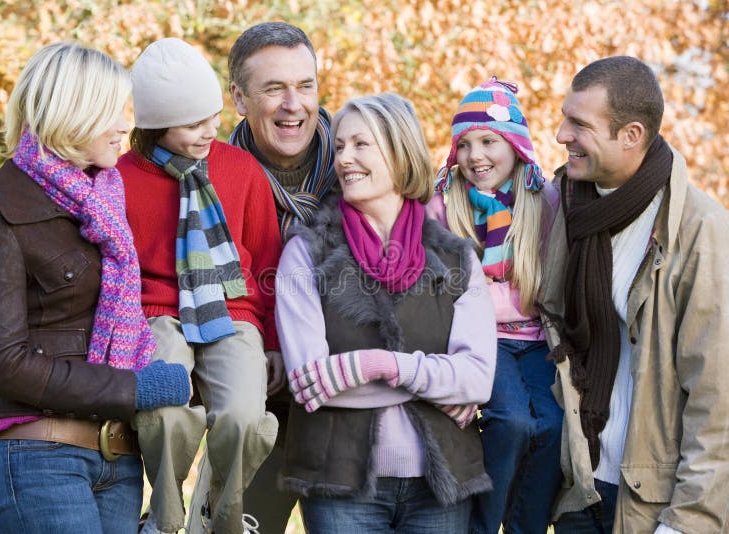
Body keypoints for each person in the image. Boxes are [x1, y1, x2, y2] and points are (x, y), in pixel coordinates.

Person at [0, 42, 192, 533]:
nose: (125, 125)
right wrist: (135, 387)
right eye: (111, 111)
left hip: (118, 460)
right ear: (71, 113)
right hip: (41, 460)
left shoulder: (103, 201)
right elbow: (5, 364)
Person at [275, 92, 497, 533]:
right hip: (340, 484)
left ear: (400, 151)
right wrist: (436, 385)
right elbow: (308, 381)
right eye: (339, 146)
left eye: (361, 144)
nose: (345, 159)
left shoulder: (455, 258)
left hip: (442, 484)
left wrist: (376, 365)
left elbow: (477, 378)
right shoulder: (306, 252)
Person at [540, 56, 729, 533]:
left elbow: (718, 403)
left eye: (579, 124)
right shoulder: (560, 208)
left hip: (652, 507)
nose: (561, 134)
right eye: (565, 117)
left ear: (631, 136)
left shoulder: (699, 232)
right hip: (577, 489)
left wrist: (687, 523)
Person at [117, 38, 281, 534]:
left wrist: (271, 342)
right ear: (155, 126)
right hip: (156, 312)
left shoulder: (240, 169)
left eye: (212, 116)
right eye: (193, 124)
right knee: (167, 415)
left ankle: (218, 516)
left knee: (245, 418)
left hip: (232, 310)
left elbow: (269, 261)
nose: (211, 129)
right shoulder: (121, 179)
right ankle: (164, 520)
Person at [190, 22, 337, 533]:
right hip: (263, 403)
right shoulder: (204, 180)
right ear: (239, 98)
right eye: (274, 88)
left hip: (346, 405)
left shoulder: (361, 162)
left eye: (305, 85)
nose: (293, 104)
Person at [428, 77, 562, 534]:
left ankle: (526, 525)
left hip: (537, 336)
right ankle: (481, 525)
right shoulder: (446, 204)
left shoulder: (543, 199)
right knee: (512, 422)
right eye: (464, 145)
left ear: (515, 143)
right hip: (485, 339)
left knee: (552, 426)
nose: (476, 156)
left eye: (488, 141)